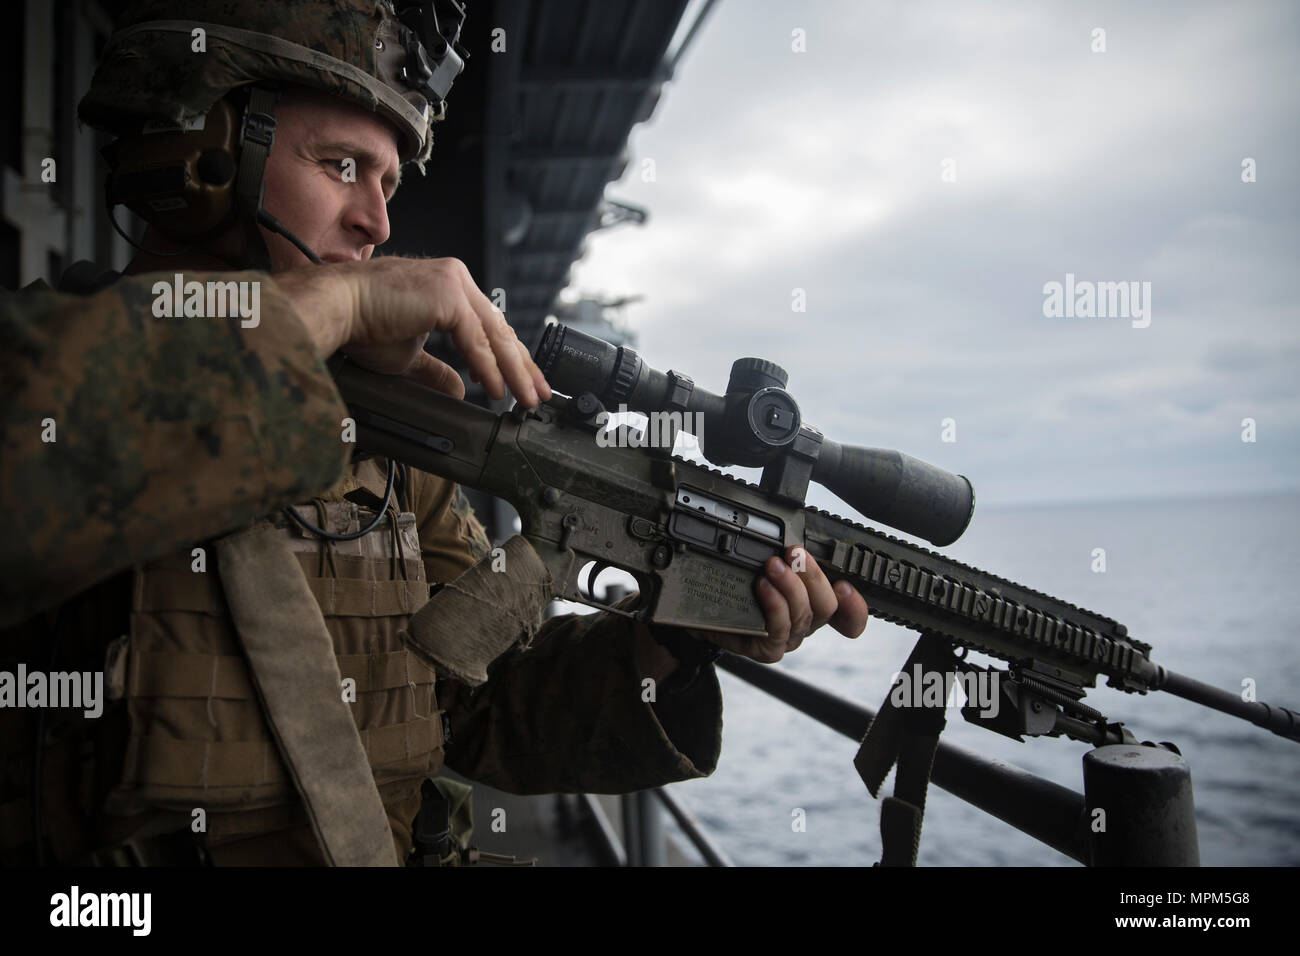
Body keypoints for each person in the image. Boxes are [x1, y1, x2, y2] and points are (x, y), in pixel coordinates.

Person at [0, 0, 868, 866]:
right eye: (341, 165)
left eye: (388, 185)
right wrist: (330, 305)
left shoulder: (390, 448)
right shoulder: (41, 366)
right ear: (201, 164)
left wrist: (668, 644)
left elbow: (476, 707)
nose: (377, 223)